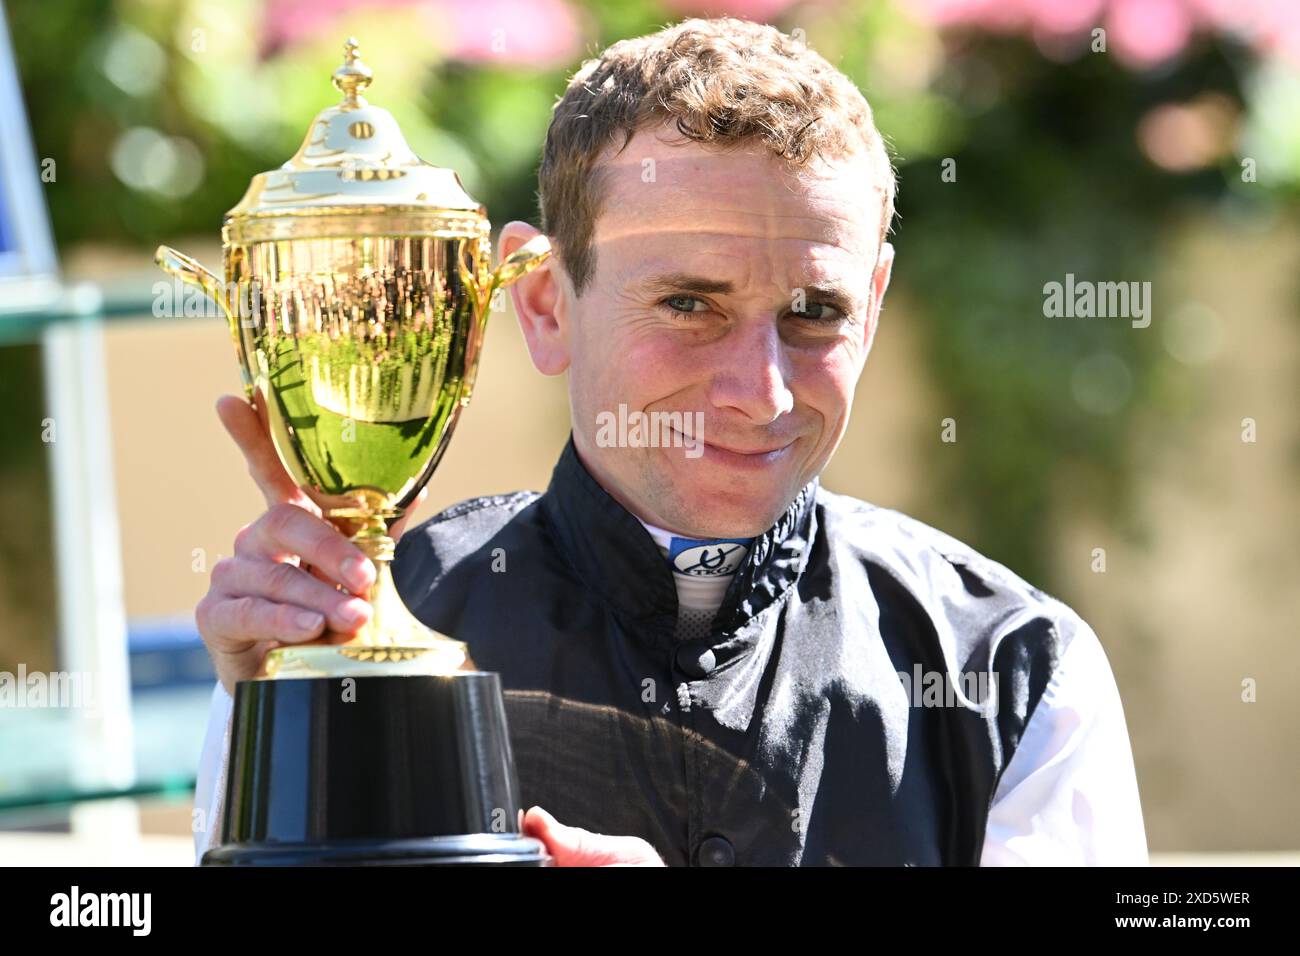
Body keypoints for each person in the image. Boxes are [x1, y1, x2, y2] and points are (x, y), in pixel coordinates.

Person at [191, 16, 1147, 866]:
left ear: (876, 305)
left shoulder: (1017, 671)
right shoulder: (359, 640)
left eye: (816, 313)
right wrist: (280, 740)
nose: (759, 391)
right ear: (543, 307)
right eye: (689, 304)